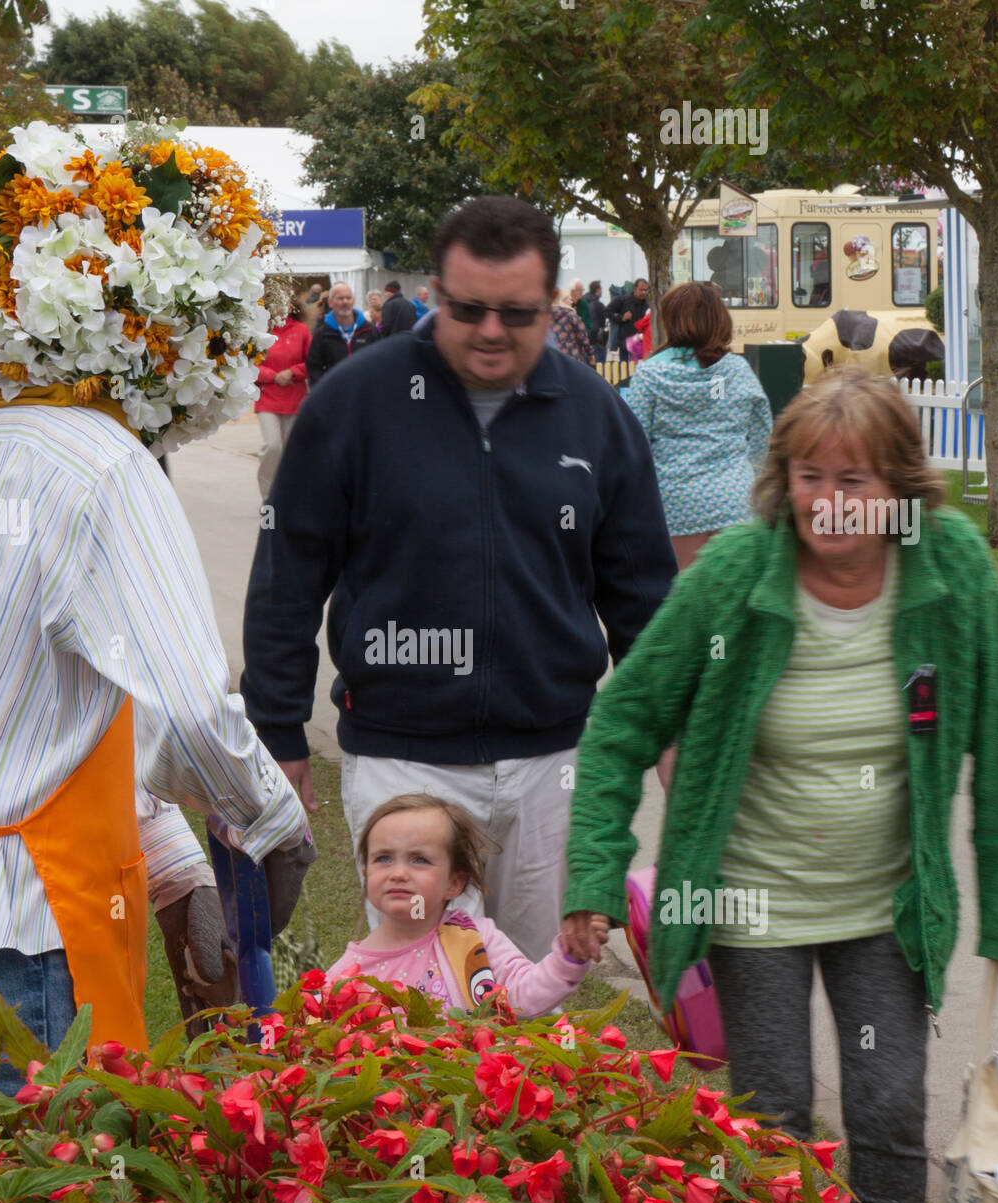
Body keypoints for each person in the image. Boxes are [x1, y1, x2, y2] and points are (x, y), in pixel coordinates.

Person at [0, 123, 313, 1095]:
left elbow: (30, 698)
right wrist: (275, 823)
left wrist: (175, 857)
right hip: (31, 918)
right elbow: (187, 704)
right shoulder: (106, 464)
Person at [562, 368, 998, 1203]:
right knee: (773, 1111)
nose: (828, 503)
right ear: (782, 480)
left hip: (883, 903)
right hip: (754, 901)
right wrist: (594, 871)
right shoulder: (739, 572)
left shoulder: (954, 569)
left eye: (854, 481)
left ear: (899, 486)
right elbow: (624, 719)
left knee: (891, 1103)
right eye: (809, 477)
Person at [242, 195, 676, 962]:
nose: (490, 332)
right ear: (436, 295)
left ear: (552, 306)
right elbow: (287, 576)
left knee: (539, 1008)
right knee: (427, 1008)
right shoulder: (355, 402)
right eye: (469, 308)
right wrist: (279, 731)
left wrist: (671, 734)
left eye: (517, 314)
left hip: (556, 763)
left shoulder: (597, 415)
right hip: (404, 760)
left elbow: (642, 596)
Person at [327, 794, 590, 1017]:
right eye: (383, 858)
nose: (398, 873)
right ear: (365, 874)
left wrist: (569, 957)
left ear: (454, 883)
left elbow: (523, 994)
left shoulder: (474, 939)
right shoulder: (346, 976)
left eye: (419, 860)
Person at [623, 281, 771, 570]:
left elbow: (635, 446)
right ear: (720, 319)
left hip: (676, 506)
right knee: (733, 601)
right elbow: (762, 437)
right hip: (735, 503)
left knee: (685, 600)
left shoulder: (650, 374)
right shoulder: (738, 370)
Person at [254, 291, 311, 502]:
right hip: (268, 398)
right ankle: (269, 498)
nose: (280, 307)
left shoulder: (302, 331)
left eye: (283, 303)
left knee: (292, 452)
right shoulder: (261, 332)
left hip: (295, 399)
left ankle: (291, 498)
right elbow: (251, 365)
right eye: (276, 303)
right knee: (273, 446)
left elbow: (311, 362)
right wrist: (272, 375)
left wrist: (293, 372)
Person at [306, 281, 378, 385]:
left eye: (348, 298)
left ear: (353, 301)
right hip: (335, 394)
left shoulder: (369, 330)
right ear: (330, 302)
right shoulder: (322, 334)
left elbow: (379, 361)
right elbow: (313, 367)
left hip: (365, 393)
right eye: (340, 298)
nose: (345, 302)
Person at [547, 286, 595, 365]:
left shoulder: (546, 318)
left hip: (555, 358)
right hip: (573, 357)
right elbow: (582, 336)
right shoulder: (571, 315)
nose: (572, 302)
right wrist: (590, 353)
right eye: (569, 299)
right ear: (562, 300)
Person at [581, 280, 606, 359]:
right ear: (598, 290)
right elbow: (608, 314)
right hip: (595, 339)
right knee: (600, 367)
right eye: (601, 289)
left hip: (584, 339)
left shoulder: (582, 302)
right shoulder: (598, 304)